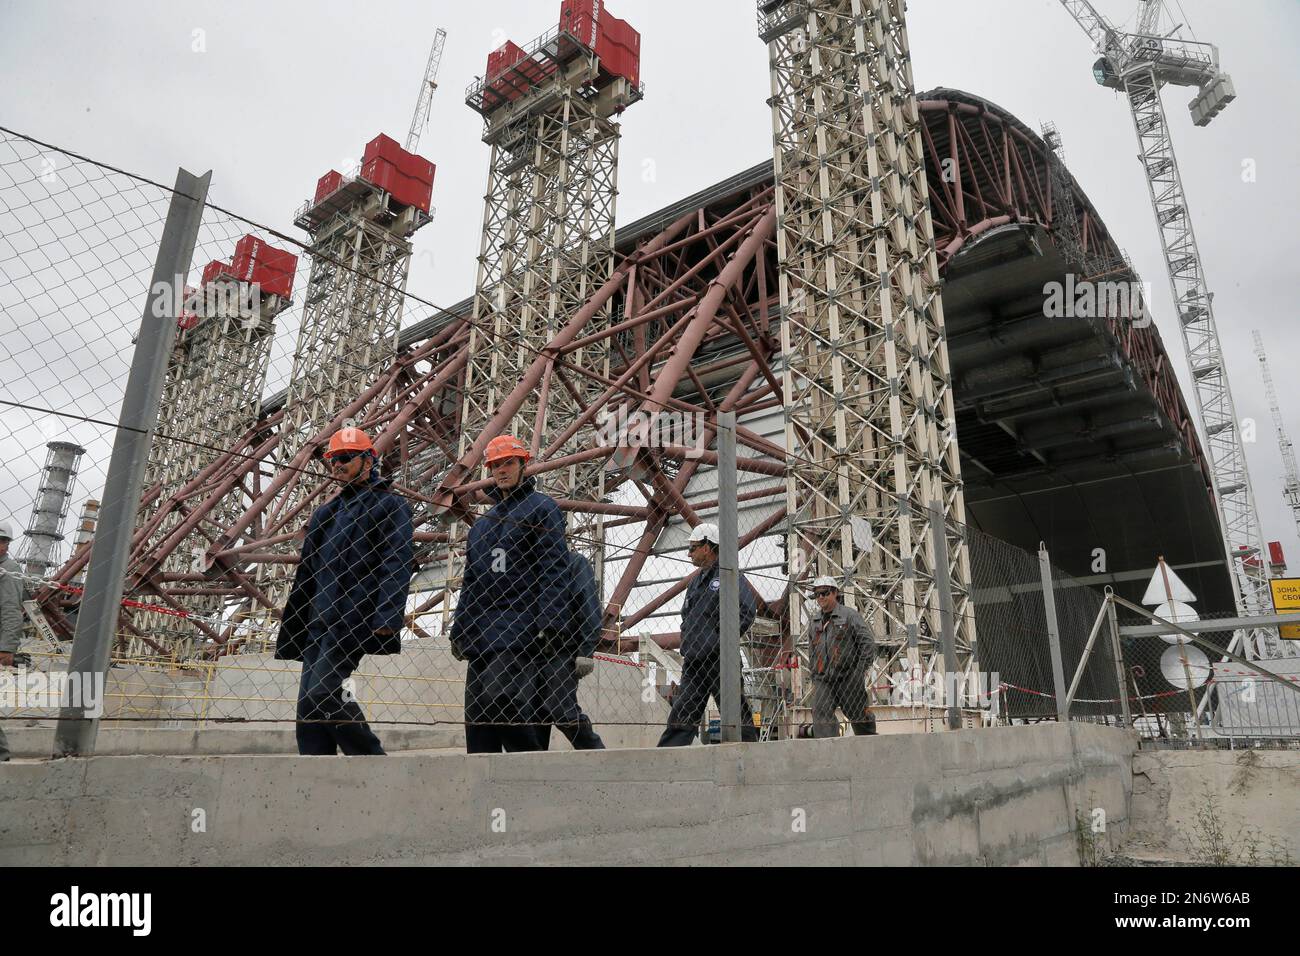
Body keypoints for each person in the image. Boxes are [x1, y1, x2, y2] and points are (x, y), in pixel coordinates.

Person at [277, 427, 413, 755]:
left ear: (369, 460)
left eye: (346, 458)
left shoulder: (391, 505)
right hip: (316, 622)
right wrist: (294, 623)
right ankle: (317, 774)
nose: (337, 465)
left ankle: (371, 759)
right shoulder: (326, 513)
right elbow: (307, 575)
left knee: (324, 693)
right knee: (308, 713)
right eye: (333, 460)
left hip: (352, 620)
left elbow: (396, 564)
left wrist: (387, 618)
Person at [449, 434, 570, 754]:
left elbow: (553, 568)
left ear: (523, 465)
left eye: (508, 463)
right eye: (495, 465)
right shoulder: (482, 526)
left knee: (502, 702)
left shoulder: (542, 509)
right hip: (481, 633)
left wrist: (551, 621)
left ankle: (528, 767)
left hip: (519, 627)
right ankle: (485, 783)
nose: (502, 470)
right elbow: (471, 583)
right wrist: (459, 630)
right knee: (477, 719)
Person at [658, 523, 760, 746]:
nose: (689, 553)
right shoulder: (696, 582)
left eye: (693, 548)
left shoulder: (728, 574)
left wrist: (718, 642)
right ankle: (668, 758)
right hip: (694, 661)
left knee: (734, 713)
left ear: (707, 547)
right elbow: (687, 617)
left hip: (720, 660)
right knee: (682, 712)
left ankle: (751, 755)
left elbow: (747, 611)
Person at [535, 547, 606, 750]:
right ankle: (534, 768)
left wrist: (586, 650)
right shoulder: (531, 565)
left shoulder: (575, 563)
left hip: (562, 650)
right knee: (532, 716)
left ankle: (597, 754)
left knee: (561, 710)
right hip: (531, 652)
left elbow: (589, 606)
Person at [804, 576, 877, 739]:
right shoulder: (814, 622)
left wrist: (858, 674)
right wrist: (815, 675)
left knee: (858, 715)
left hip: (848, 677)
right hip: (824, 679)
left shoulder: (850, 616)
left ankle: (871, 744)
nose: (821, 597)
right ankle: (829, 752)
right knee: (820, 712)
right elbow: (812, 651)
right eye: (817, 594)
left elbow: (868, 644)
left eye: (825, 592)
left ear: (835, 593)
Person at [0, 521, 21, 762]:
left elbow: (10, 611)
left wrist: (6, 648)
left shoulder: (9, 570)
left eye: (3, 541)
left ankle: (2, 755)